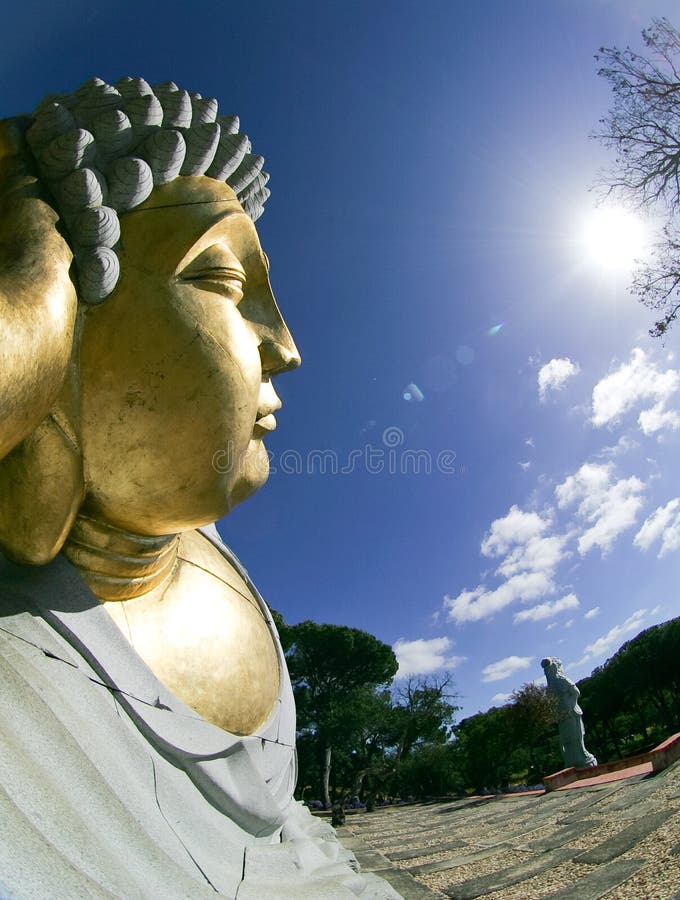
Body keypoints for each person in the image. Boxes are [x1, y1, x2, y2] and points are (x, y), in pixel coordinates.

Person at [0, 77, 400, 899]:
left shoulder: (212, 558)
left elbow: (279, 824)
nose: (284, 345)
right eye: (222, 280)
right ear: (69, 319)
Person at [541, 657, 598, 769]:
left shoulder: (562, 679)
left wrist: (570, 704)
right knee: (566, 738)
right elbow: (550, 702)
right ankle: (571, 759)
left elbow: (576, 692)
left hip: (570, 711)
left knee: (577, 734)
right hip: (561, 715)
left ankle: (582, 756)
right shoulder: (550, 686)